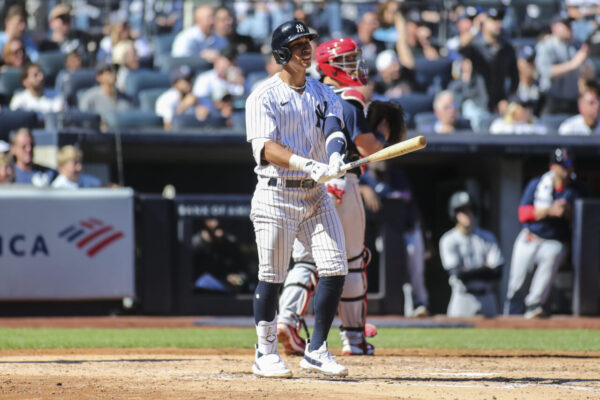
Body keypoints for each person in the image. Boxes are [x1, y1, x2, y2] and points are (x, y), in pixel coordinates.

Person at [277, 38, 406, 357]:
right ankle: (354, 337)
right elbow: (367, 148)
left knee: (306, 259)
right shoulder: (348, 98)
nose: (356, 66)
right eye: (348, 60)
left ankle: (287, 319)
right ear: (330, 66)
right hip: (340, 181)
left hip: (301, 181)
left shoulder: (302, 93)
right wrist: (382, 136)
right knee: (351, 261)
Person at [246, 20, 350, 378]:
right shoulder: (262, 95)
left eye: (309, 42)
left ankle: (316, 349)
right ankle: (264, 352)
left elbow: (334, 128)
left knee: (335, 267)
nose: (306, 49)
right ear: (281, 53)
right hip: (276, 193)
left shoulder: (324, 92)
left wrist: (334, 158)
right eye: (298, 44)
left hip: (315, 194)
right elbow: (266, 147)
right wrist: (307, 163)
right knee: (272, 275)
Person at [504, 148, 586, 318]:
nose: (565, 168)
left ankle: (534, 305)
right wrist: (549, 210)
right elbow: (523, 214)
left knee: (554, 253)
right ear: (552, 167)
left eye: (568, 164)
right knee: (517, 282)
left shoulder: (578, 189)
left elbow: (589, 218)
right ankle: (512, 314)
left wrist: (569, 213)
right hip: (530, 237)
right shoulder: (538, 184)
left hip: (554, 241)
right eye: (561, 165)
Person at [359, 164, 428, 318]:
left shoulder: (398, 176)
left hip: (408, 229)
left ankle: (419, 303)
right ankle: (398, 306)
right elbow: (344, 189)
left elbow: (413, 206)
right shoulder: (363, 178)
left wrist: (425, 237)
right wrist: (363, 189)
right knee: (390, 264)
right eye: (378, 155)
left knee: (415, 264)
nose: (383, 160)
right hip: (381, 233)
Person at [439, 191, 504, 317]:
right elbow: (458, 274)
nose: (467, 214)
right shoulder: (448, 239)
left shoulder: (487, 237)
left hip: (487, 297)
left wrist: (469, 271)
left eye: (470, 210)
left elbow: (497, 272)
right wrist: (485, 269)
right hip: (463, 298)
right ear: (455, 214)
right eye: (462, 211)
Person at [459, 7, 518, 113]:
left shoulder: (507, 48)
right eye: (493, 20)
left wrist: (507, 99)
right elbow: (460, 47)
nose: (497, 24)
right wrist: (475, 29)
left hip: (498, 105)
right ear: (484, 23)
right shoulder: (476, 46)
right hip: (477, 103)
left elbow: (514, 78)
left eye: (499, 20)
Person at [535, 13, 588, 115]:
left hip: (573, 101)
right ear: (554, 28)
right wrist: (572, 64)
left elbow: (589, 74)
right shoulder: (546, 46)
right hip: (552, 101)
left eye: (570, 24)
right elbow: (546, 71)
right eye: (565, 24)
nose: (569, 27)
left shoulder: (577, 46)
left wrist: (585, 62)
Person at [79, 61, 133, 129]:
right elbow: (84, 123)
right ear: (99, 77)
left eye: (116, 70)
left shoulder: (126, 99)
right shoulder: (89, 98)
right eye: (109, 70)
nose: (114, 73)